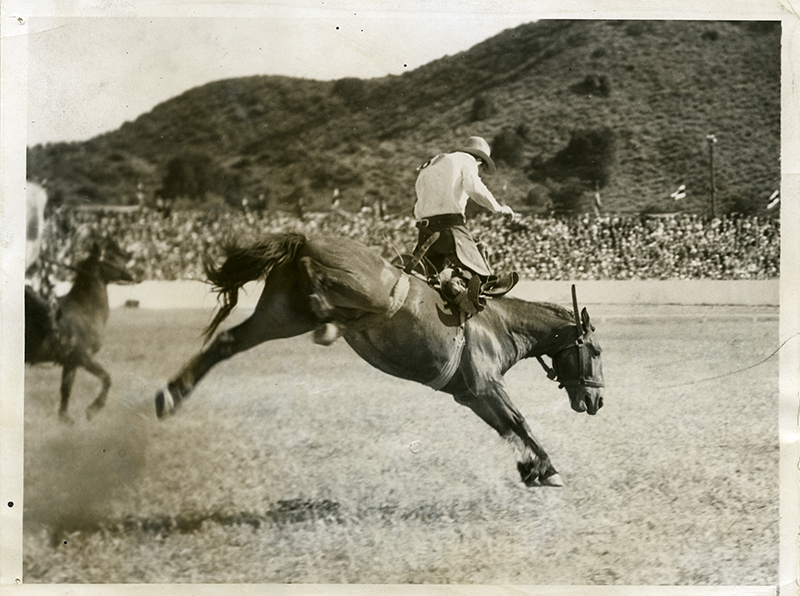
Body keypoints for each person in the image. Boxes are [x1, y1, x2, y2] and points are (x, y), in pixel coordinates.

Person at [411, 136, 517, 313]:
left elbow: (418, 204)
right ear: (479, 160)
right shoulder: (466, 160)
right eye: (482, 168)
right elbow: (475, 187)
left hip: (425, 231)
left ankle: (448, 288)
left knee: (426, 282)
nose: (480, 172)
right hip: (450, 227)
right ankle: (456, 287)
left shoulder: (431, 164)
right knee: (483, 276)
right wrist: (499, 208)